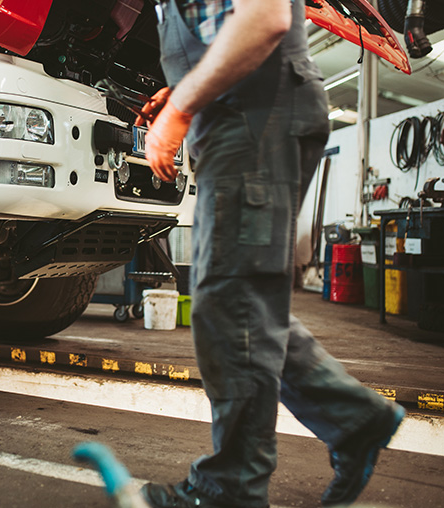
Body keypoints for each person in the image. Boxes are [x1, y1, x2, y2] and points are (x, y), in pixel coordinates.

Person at [136, 1, 405, 507]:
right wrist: (186, 90)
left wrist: (180, 108)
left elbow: (265, 17)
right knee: (240, 303)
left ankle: (230, 488)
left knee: (233, 304)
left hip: (256, 121)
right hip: (244, 120)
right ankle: (355, 420)